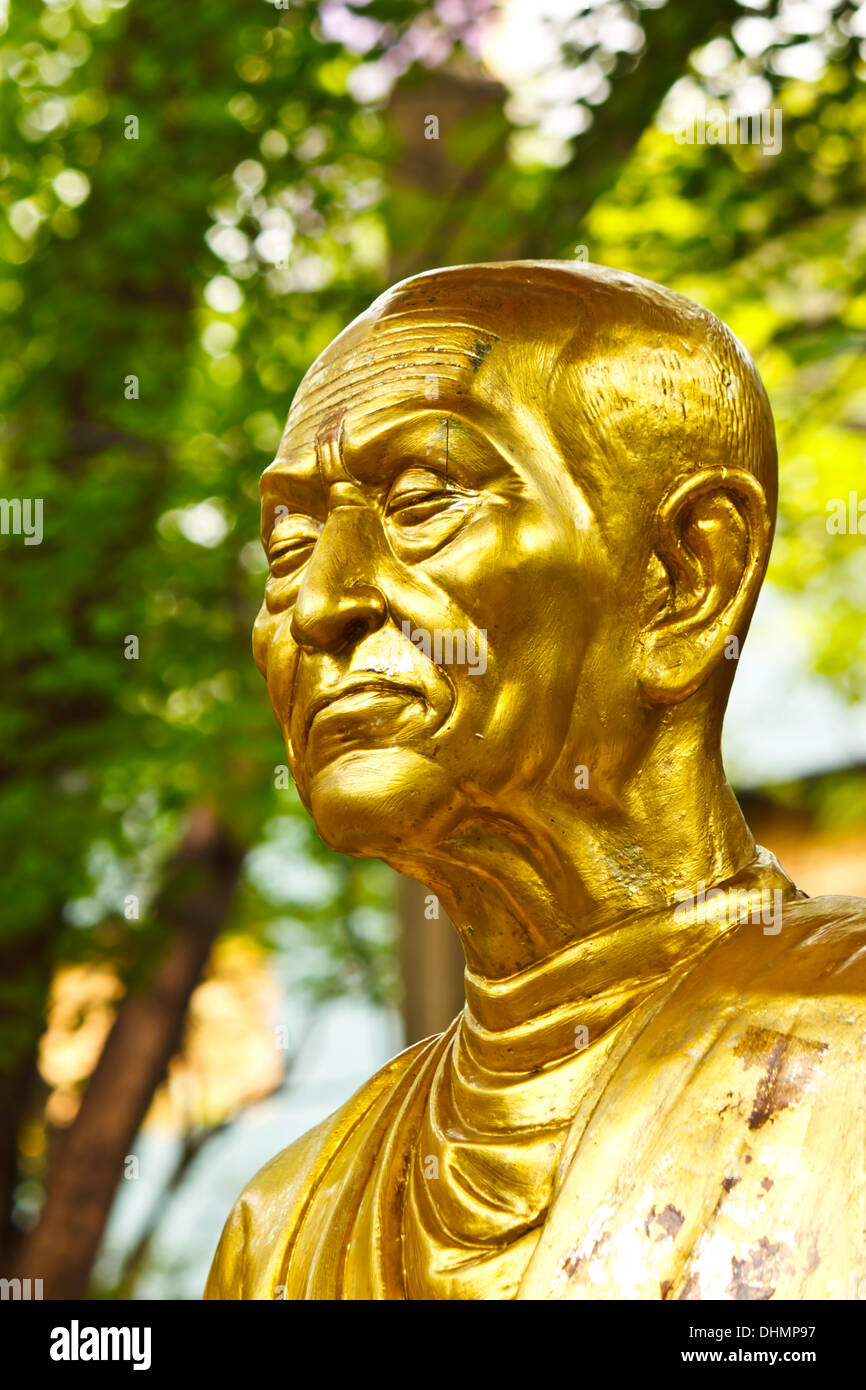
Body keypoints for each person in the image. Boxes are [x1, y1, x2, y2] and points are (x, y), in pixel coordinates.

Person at [206, 261, 866, 1300]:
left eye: (423, 499)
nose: (320, 601)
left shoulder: (846, 1057)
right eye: (288, 539)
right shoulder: (284, 1222)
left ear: (685, 580)